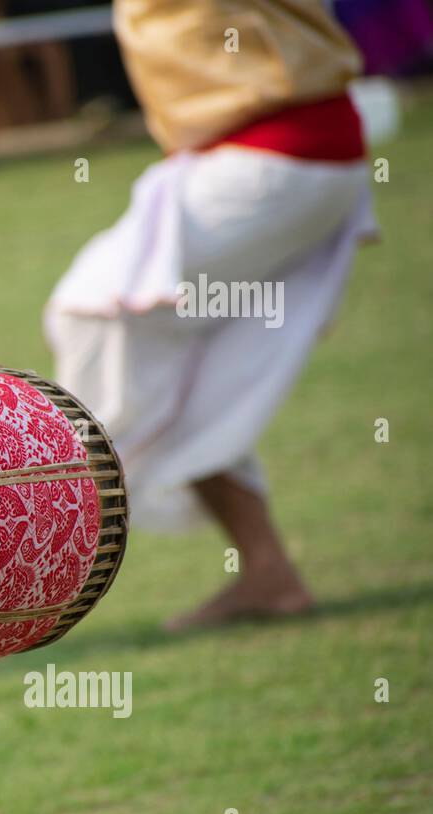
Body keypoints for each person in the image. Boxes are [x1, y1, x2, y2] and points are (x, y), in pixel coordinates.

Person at [44, 0, 377, 631]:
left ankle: (60, 514)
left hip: (269, 159)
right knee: (193, 369)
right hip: (295, 155)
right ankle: (269, 571)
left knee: (93, 308)